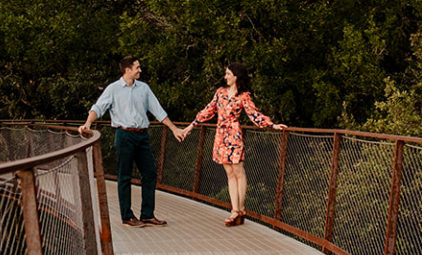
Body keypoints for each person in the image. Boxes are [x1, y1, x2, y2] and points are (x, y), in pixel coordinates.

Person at [80, 56, 184, 227]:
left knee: (150, 173)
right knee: (125, 176)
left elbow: (158, 110)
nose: (140, 70)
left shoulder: (144, 88)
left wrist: (174, 129)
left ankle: (147, 215)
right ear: (127, 70)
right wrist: (88, 123)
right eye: (137, 67)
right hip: (124, 135)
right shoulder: (113, 89)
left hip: (142, 135)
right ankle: (127, 216)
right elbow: (98, 107)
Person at [181, 63, 287, 226]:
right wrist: (190, 126)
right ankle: (235, 210)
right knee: (229, 173)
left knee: (238, 171)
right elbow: (207, 110)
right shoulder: (220, 93)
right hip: (221, 135)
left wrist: (272, 125)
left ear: (236, 76)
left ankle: (240, 210)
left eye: (229, 74)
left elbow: (254, 114)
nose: (226, 77)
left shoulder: (243, 96)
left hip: (234, 134)